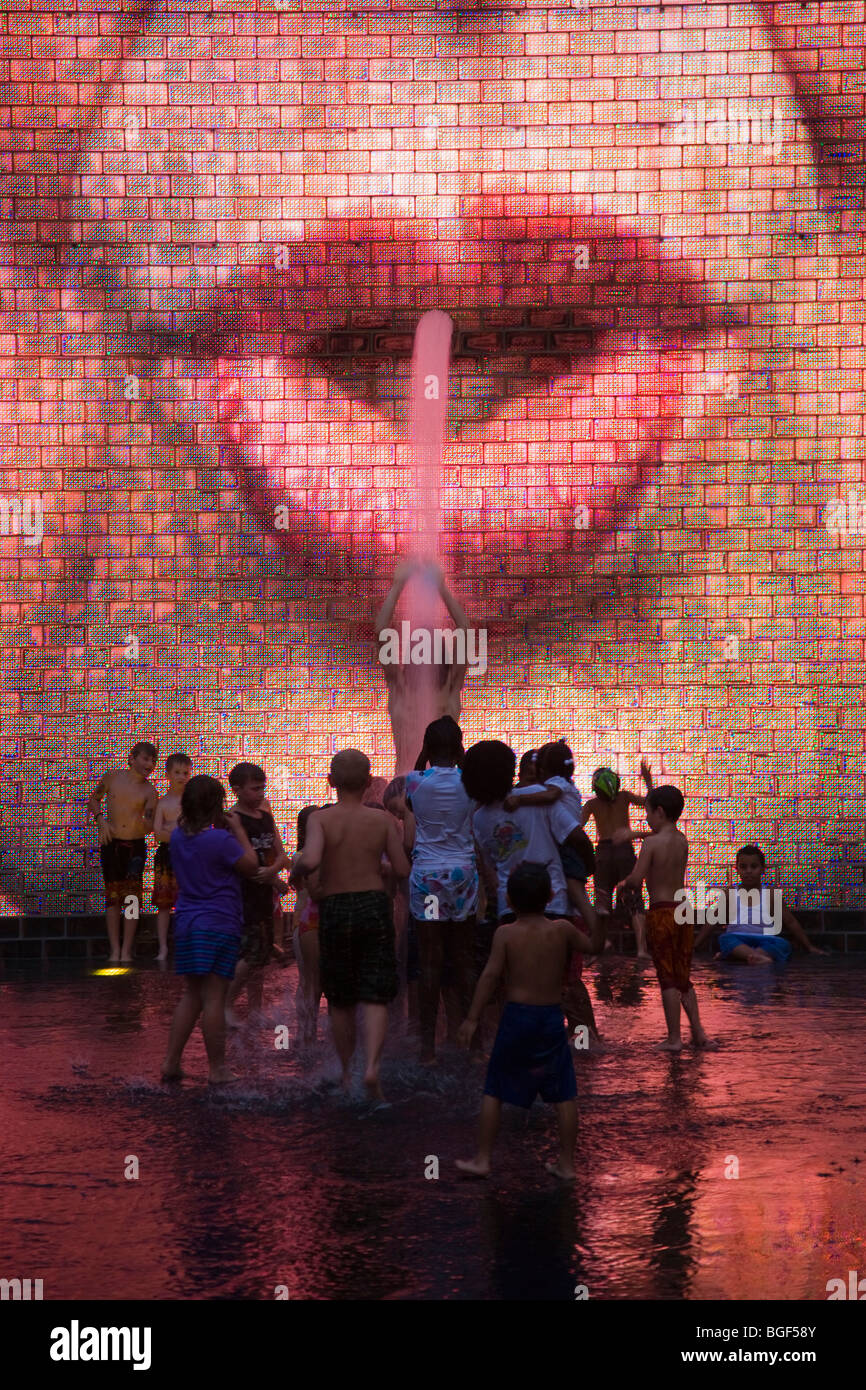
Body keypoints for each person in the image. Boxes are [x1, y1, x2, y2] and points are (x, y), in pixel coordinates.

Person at [456, 862, 608, 1180]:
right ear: (551, 896)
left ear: (509, 901)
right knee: (564, 1093)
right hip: (551, 1018)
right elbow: (595, 945)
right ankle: (566, 1164)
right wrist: (593, 910)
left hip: (517, 1018)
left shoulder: (506, 934)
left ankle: (483, 1159)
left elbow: (491, 975)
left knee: (495, 1089)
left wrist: (473, 1018)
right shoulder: (562, 930)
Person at [290, 749, 410, 1103]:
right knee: (375, 994)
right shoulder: (382, 822)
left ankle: (346, 1073)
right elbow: (402, 868)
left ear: (330, 782)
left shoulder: (321, 820)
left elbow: (310, 858)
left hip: (337, 907)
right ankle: (371, 1067)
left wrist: (295, 871)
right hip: (374, 905)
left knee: (340, 998)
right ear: (368, 782)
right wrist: (383, 868)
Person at [161, 775, 258, 1084]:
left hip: (188, 923)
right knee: (215, 997)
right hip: (219, 923)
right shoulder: (221, 840)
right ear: (217, 806)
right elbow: (251, 866)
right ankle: (217, 1069)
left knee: (192, 994)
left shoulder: (177, 836)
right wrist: (240, 831)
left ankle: (171, 1062)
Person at [403, 716, 478, 1065]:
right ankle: (474, 1045)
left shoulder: (415, 781)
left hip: (427, 878)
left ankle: (426, 1050)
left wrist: (422, 757)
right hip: (463, 875)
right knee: (463, 958)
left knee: (430, 961)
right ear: (460, 747)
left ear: (428, 748)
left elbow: (407, 806)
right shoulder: (471, 782)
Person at [615, 786, 711, 1052]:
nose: (646, 819)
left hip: (661, 913)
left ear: (659, 811)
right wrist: (636, 833)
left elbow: (637, 878)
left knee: (667, 977)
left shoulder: (651, 844)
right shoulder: (682, 840)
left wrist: (624, 883)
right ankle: (699, 1033)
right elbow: (661, 834)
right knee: (683, 976)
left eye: (647, 813)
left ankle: (673, 1038)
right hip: (683, 912)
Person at [374, 559, 472, 772]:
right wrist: (441, 588)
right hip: (446, 787)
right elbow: (464, 629)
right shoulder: (449, 695)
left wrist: (398, 585)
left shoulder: (400, 691)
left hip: (404, 785)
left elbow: (381, 630)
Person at [225, 763, 291, 1026]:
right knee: (250, 951)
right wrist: (262, 875)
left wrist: (273, 875)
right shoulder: (233, 820)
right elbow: (232, 859)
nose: (260, 793)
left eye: (263, 787)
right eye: (255, 789)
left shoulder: (264, 816)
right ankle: (226, 1004)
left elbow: (281, 852)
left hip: (263, 889)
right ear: (237, 790)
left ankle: (255, 1009)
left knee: (262, 953)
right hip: (243, 892)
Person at [504, 739, 596, 926]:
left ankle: (596, 929)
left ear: (544, 771)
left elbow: (549, 795)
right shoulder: (568, 784)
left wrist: (519, 799)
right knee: (576, 894)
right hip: (567, 845)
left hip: (567, 846)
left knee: (575, 891)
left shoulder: (555, 785)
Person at [694, 845, 829, 964]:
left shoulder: (770, 893)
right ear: (737, 869)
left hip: (765, 940)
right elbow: (712, 920)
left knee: (783, 944)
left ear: (763, 869)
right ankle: (756, 957)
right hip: (737, 938)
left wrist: (809, 946)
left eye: (754, 866)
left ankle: (742, 956)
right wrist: (695, 945)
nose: (748, 871)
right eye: (743, 867)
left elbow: (790, 921)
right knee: (725, 940)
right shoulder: (730, 893)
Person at [86, 742, 158, 963]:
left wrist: (148, 823)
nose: (150, 764)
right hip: (112, 844)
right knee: (113, 897)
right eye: (145, 759)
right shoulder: (112, 777)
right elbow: (94, 799)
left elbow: (150, 822)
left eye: (153, 761)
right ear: (132, 758)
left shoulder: (150, 791)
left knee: (132, 900)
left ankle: (126, 949)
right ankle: (114, 949)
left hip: (135, 846)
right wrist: (101, 821)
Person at [581, 762, 653, 958]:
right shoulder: (624, 797)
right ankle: (641, 949)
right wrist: (648, 781)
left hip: (603, 853)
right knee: (635, 900)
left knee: (602, 900)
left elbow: (576, 827)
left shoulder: (592, 804)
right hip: (624, 852)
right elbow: (651, 803)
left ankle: (600, 943)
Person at [151, 753, 192, 962]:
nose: (181, 776)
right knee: (164, 903)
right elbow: (157, 831)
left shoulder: (192, 801)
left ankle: (187, 943)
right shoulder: (163, 802)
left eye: (185, 773)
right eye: (177, 772)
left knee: (189, 900)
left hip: (190, 856)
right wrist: (179, 837)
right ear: (167, 774)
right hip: (168, 855)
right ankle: (163, 947)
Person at [291, 806, 323, 1045]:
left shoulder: (301, 856)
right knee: (311, 981)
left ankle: (305, 1031)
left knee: (307, 981)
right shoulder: (306, 857)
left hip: (302, 922)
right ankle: (306, 1029)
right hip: (308, 922)